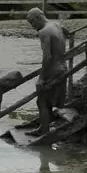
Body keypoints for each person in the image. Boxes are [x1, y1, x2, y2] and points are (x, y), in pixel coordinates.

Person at [26, 8, 68, 136]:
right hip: (63, 67)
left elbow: (47, 57)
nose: (32, 26)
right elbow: (68, 31)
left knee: (41, 100)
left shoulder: (44, 32)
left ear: (39, 18)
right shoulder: (55, 25)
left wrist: (42, 78)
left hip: (53, 70)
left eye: (32, 22)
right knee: (47, 99)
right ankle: (44, 125)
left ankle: (44, 129)